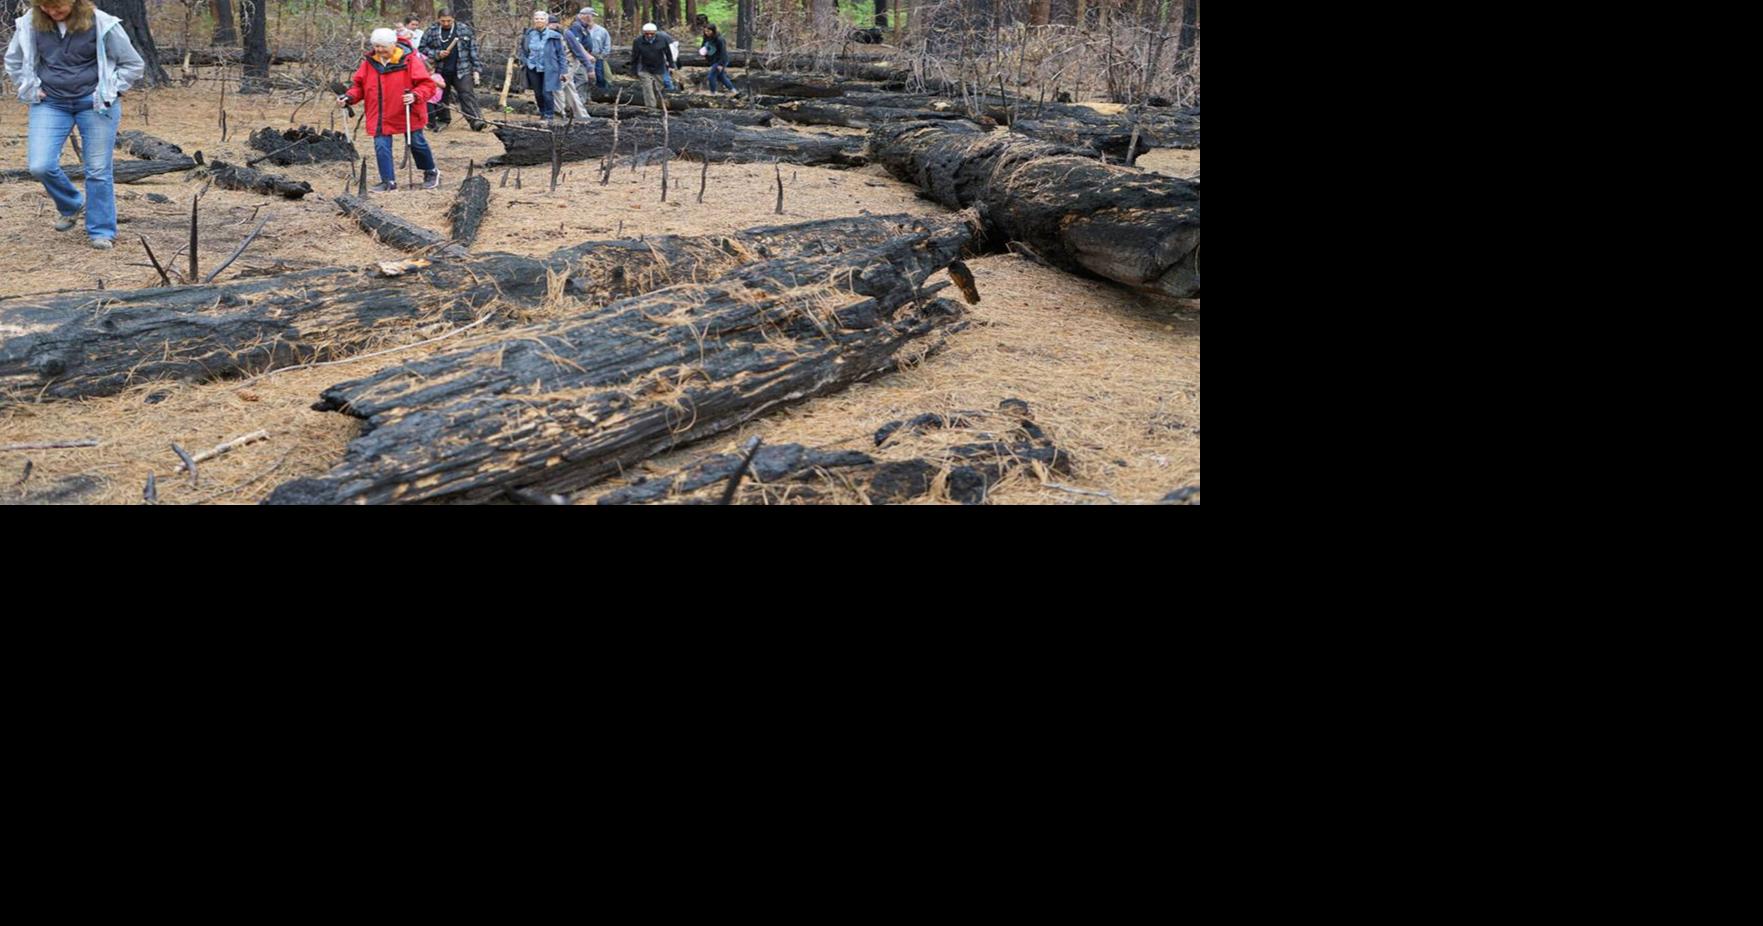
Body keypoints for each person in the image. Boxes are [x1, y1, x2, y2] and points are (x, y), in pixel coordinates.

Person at [4, 0, 145, 250]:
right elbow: (14, 61)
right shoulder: (29, 24)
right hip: (50, 103)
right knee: (40, 165)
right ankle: (71, 204)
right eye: (46, 8)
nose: (52, 12)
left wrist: (112, 89)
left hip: (95, 104)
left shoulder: (103, 24)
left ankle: (101, 231)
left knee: (98, 170)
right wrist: (30, 87)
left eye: (57, 7)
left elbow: (132, 64)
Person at [339, 27, 443, 191]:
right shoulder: (370, 63)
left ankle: (431, 172)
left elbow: (427, 85)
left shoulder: (410, 60)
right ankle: (388, 181)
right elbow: (359, 86)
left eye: (383, 47)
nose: (379, 50)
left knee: (417, 142)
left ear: (393, 44)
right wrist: (349, 97)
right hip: (380, 113)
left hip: (408, 110)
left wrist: (415, 95)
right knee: (381, 145)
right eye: (376, 46)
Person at [420, 9, 484, 130]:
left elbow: (473, 50)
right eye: (443, 21)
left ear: (453, 19)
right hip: (440, 70)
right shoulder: (431, 30)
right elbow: (422, 48)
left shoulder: (464, 29)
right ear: (438, 19)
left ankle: (475, 120)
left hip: (462, 69)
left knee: (466, 93)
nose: (446, 23)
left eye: (448, 20)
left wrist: (476, 68)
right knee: (442, 96)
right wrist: (437, 54)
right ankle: (443, 119)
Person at [548, 13, 593, 119]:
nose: (550, 27)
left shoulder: (566, 34)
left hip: (570, 64)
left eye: (552, 24)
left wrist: (589, 67)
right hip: (556, 66)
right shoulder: (546, 35)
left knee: (557, 86)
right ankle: (582, 116)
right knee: (570, 90)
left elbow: (578, 50)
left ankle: (559, 114)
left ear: (557, 24)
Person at [630, 22, 673, 109]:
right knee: (647, 88)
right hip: (644, 68)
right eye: (647, 33)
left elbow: (668, 53)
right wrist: (633, 70)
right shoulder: (638, 41)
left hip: (659, 67)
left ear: (655, 33)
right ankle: (650, 108)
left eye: (651, 33)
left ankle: (659, 105)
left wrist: (671, 65)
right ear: (643, 33)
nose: (649, 35)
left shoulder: (662, 39)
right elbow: (635, 57)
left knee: (658, 88)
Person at [568, 7, 611, 93]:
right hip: (582, 57)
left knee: (600, 77)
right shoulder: (578, 27)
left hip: (597, 57)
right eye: (591, 15)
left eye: (592, 16)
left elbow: (607, 45)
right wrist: (587, 56)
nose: (591, 18)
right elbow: (577, 45)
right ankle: (583, 98)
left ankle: (597, 96)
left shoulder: (602, 31)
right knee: (584, 78)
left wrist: (601, 56)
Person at [701, 23, 734, 94]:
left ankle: (713, 93)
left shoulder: (719, 39)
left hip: (721, 60)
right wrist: (703, 51)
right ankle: (734, 91)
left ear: (713, 31)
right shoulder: (706, 38)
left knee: (711, 77)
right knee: (721, 77)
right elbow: (703, 46)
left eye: (709, 31)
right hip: (713, 60)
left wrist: (720, 64)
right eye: (705, 31)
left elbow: (723, 52)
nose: (707, 33)